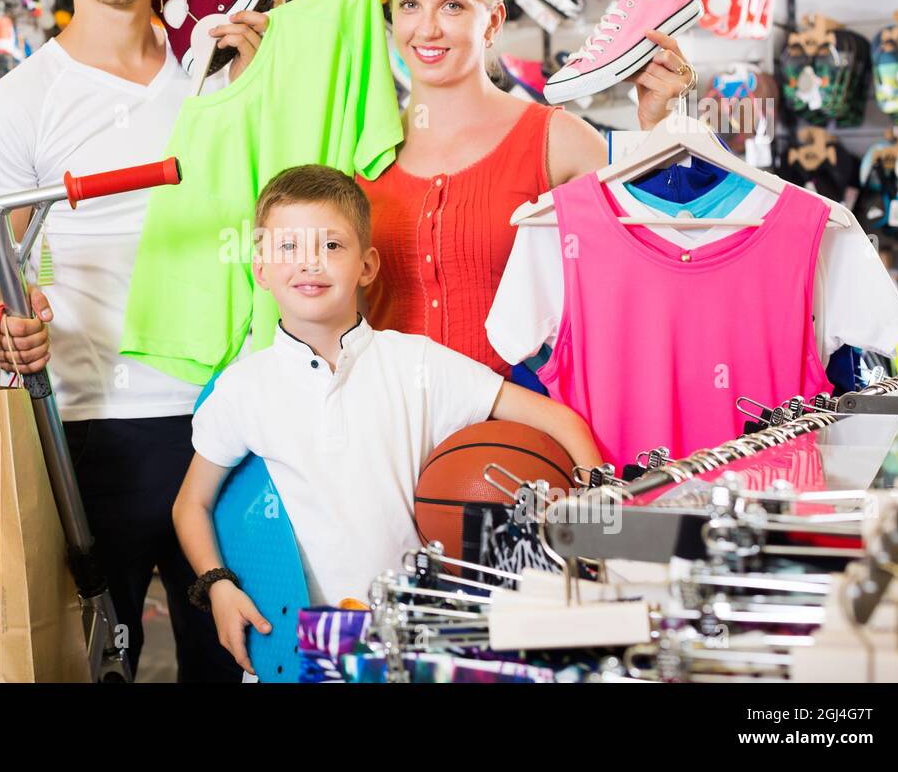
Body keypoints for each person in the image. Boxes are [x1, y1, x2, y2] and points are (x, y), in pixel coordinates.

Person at [0, 0, 275, 682]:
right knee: (96, 666)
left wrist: (261, 85)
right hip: (92, 432)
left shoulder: (217, 77)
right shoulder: (15, 106)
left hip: (231, 419)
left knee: (235, 662)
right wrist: (3, 317)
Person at [173, 165, 602, 676]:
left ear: (367, 265)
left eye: (331, 246)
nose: (310, 262)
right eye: (288, 247)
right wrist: (217, 585)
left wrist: (597, 519)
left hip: (414, 639)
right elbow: (190, 504)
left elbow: (558, 420)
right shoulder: (243, 388)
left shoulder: (418, 363)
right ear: (260, 268)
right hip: (297, 647)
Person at [360, 0, 697, 376]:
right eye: (409, 4)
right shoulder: (362, 154)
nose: (427, 28)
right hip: (386, 433)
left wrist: (657, 125)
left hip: (517, 436)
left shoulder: (560, 144)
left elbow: (655, 272)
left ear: (493, 22)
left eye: (453, 5)